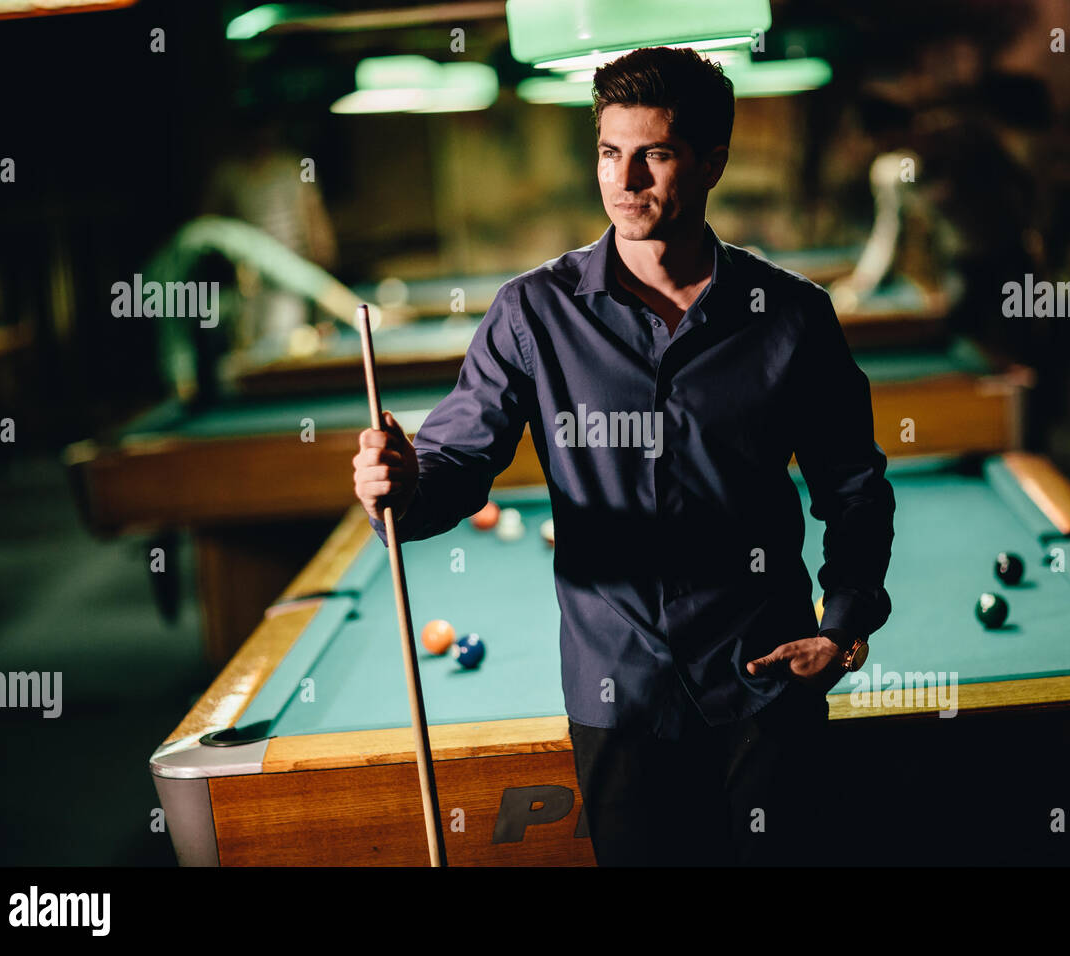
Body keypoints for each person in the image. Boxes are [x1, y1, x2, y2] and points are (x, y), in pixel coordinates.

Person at [353, 47, 895, 866]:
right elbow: (450, 474)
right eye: (610, 152)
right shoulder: (531, 315)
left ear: (713, 162)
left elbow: (854, 488)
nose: (625, 179)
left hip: (763, 684)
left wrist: (845, 627)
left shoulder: (791, 318)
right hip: (619, 694)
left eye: (656, 154)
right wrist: (396, 486)